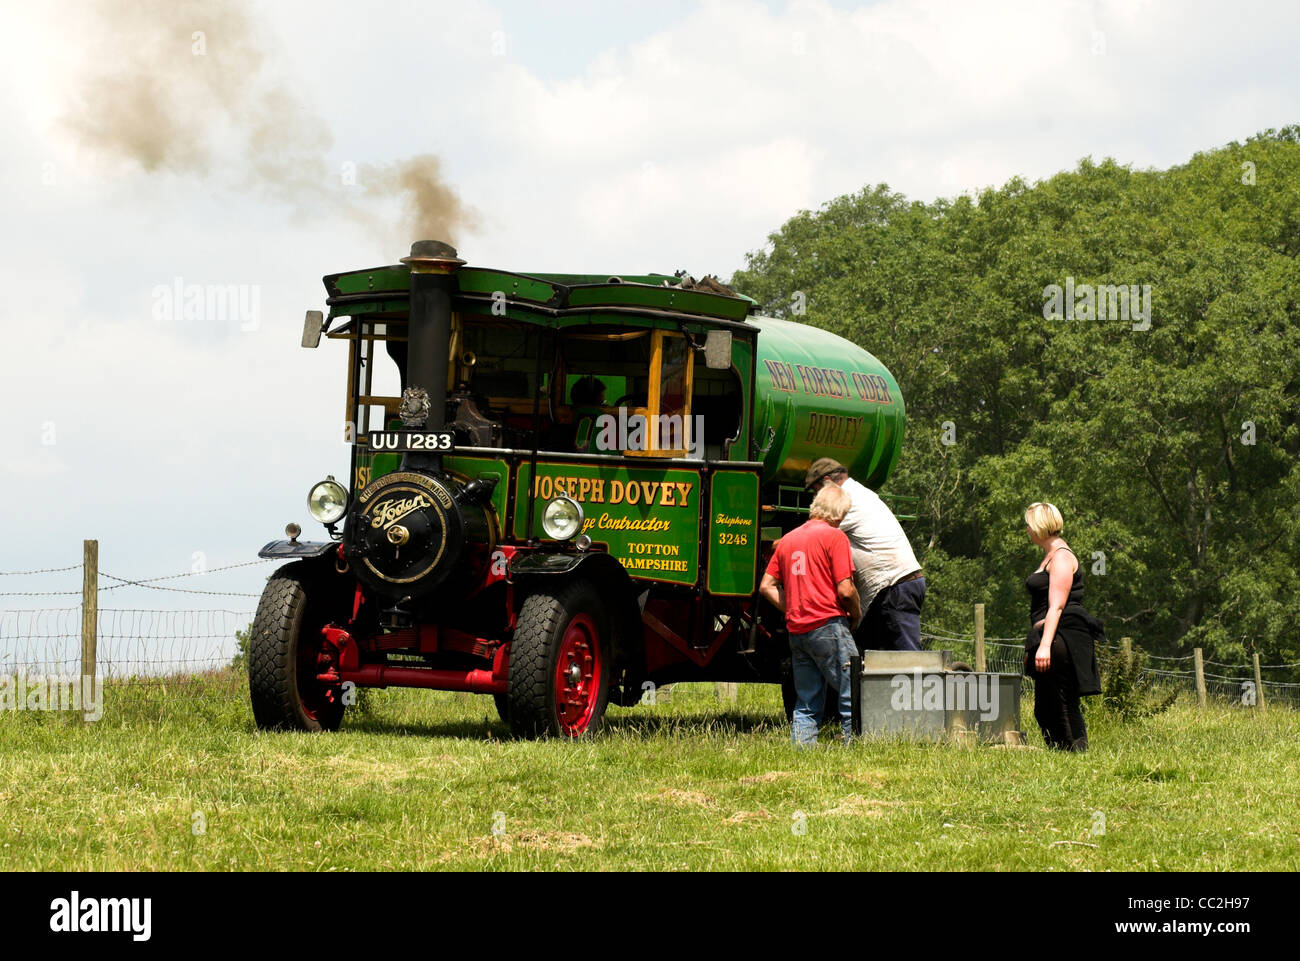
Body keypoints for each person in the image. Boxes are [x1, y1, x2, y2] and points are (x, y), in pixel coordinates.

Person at [759, 483, 862, 746]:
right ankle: (855, 746)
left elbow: (766, 586)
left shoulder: (788, 540)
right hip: (828, 626)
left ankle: (803, 751)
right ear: (838, 514)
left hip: (798, 631)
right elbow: (846, 590)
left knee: (807, 699)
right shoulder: (834, 537)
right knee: (854, 689)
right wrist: (857, 613)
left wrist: (793, 607)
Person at [805, 457, 925, 653]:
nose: (816, 498)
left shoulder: (847, 499)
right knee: (865, 657)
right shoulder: (861, 493)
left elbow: (814, 535)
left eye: (816, 491)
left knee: (909, 659)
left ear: (827, 482)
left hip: (893, 587)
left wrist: (778, 545)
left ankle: (921, 683)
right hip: (892, 587)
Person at [1022, 501, 1102, 751]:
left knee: (1064, 703)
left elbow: (1056, 605)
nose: (1027, 529)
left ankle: (1077, 755)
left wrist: (1045, 645)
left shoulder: (1062, 557)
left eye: (1029, 524)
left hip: (1062, 638)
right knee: (1043, 708)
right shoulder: (1049, 556)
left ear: (1039, 526)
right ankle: (1059, 754)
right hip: (1049, 636)